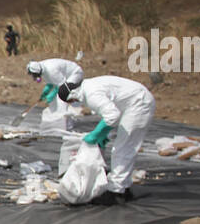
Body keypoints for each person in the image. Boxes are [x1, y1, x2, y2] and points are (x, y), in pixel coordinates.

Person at [56, 72, 156, 200]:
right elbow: (111, 112)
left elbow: (112, 115)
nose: (74, 103)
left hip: (139, 104)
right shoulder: (88, 87)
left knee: (123, 148)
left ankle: (116, 192)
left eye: (71, 100)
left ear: (73, 94)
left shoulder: (91, 94)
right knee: (122, 147)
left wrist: (97, 133)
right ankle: (123, 187)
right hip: (131, 103)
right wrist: (103, 133)